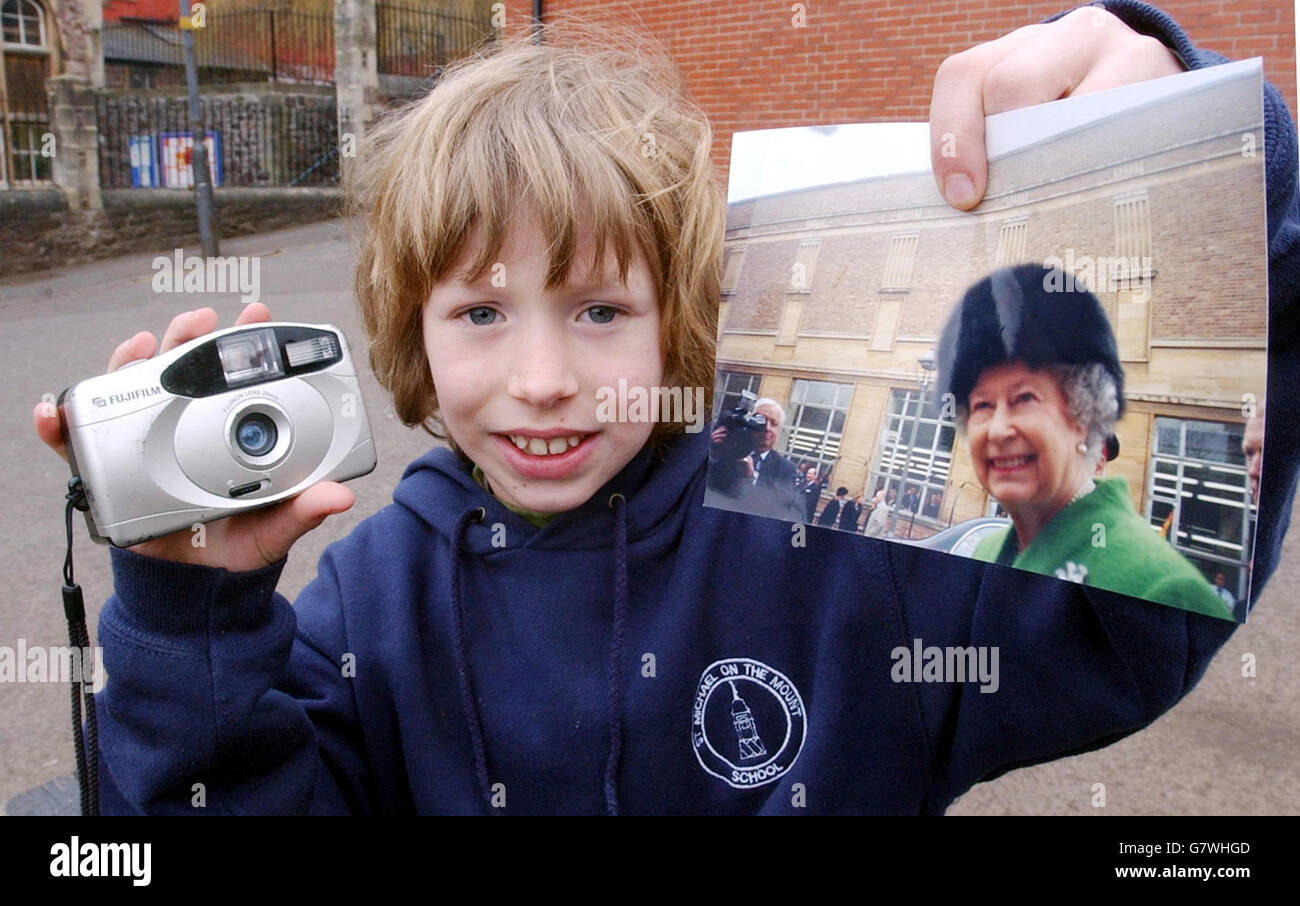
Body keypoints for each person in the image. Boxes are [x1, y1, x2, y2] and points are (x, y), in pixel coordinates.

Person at [31, 4, 1298, 815]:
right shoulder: (371, 602)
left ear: (681, 323)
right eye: (479, 313)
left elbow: (1130, 635)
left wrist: (1223, 157)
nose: (541, 379)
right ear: (407, 330)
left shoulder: (833, 568)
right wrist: (193, 616)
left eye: (597, 311)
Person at [937, 265, 1230, 618]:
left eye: (1025, 398)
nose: (998, 430)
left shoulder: (1162, 590)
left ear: (1082, 416)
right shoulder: (986, 551)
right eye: (982, 404)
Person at [708, 398, 806, 521]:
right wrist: (710, 451)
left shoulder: (786, 469)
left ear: (779, 431)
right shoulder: (726, 450)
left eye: (774, 423)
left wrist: (749, 479)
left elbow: (779, 510)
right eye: (761, 420)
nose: (767, 428)